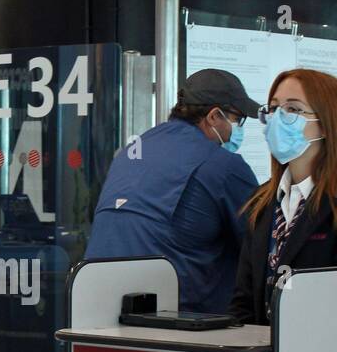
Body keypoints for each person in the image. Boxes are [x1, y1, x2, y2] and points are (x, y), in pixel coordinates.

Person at [86, 69, 260, 312]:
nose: (237, 128)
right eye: (237, 119)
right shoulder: (223, 166)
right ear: (213, 116)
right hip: (179, 325)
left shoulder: (134, 150)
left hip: (96, 311)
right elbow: (260, 249)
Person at [231, 68, 337, 326]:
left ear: (326, 124)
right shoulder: (262, 200)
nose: (278, 118)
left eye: (293, 110)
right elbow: (244, 299)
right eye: (272, 109)